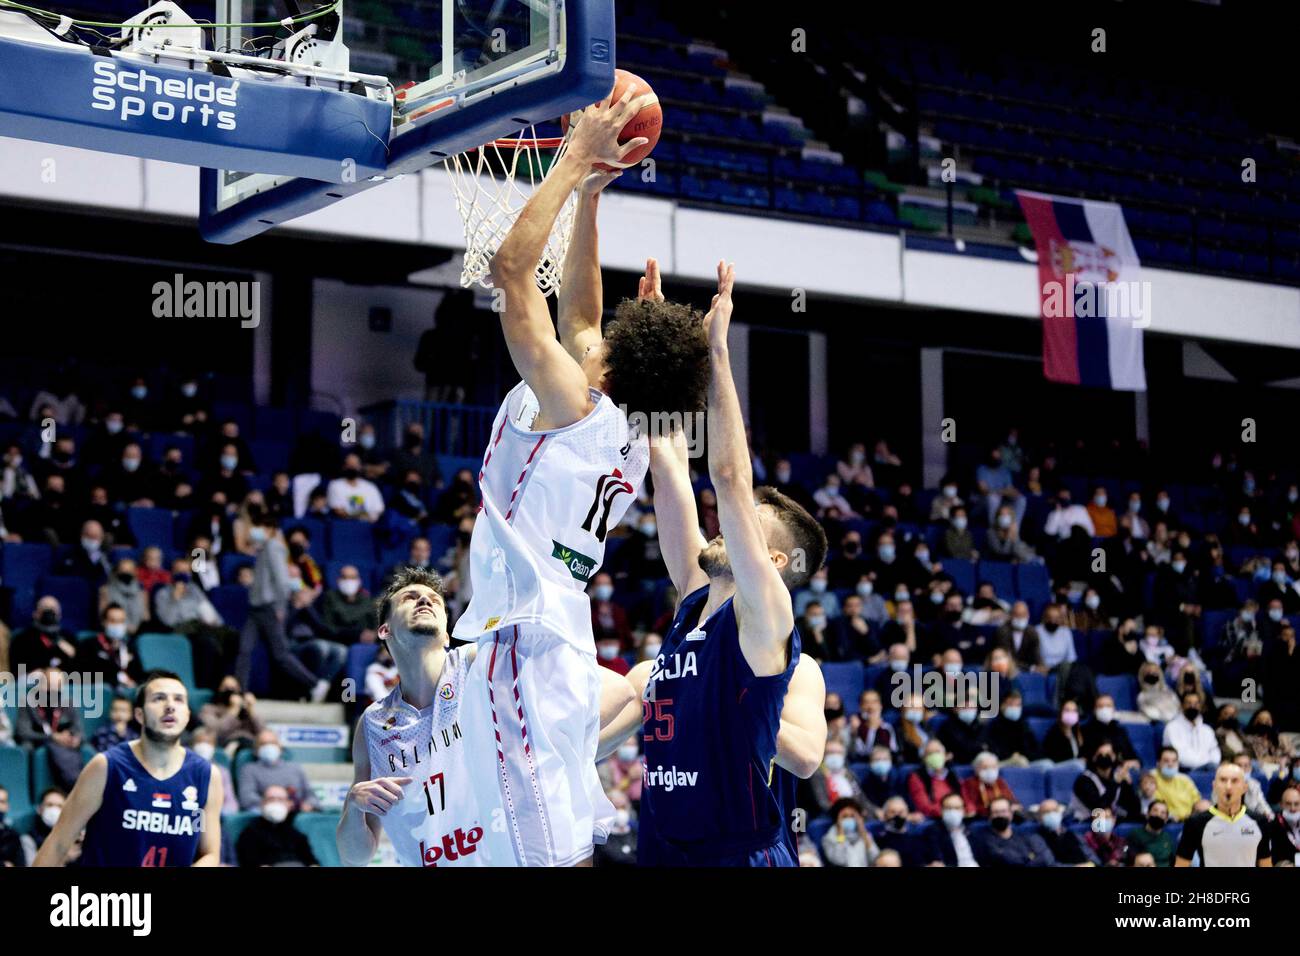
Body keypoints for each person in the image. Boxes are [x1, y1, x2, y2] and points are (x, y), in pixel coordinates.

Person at [453, 95, 720, 864]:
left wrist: (573, 158)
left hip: (523, 644)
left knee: (535, 854)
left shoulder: (571, 405)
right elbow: (581, 310)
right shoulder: (632, 428)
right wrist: (594, 199)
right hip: (568, 643)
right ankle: (571, 759)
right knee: (640, 684)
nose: (595, 331)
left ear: (616, 358)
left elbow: (512, 274)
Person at [604, 263, 830, 867]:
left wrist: (716, 352)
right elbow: (667, 464)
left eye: (746, 526)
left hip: (739, 855)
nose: (726, 521)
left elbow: (729, 479)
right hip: (665, 852)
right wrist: (656, 354)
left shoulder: (768, 625)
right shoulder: (694, 598)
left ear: (774, 560)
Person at [33, 671, 222, 866]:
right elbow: (58, 843)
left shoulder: (207, 776)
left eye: (179, 700)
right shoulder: (105, 766)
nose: (170, 706)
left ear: (188, 715)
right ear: (139, 715)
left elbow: (210, 855)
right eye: (159, 698)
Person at [235, 512, 329, 702]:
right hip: (256, 608)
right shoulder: (264, 548)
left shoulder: (275, 547)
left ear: (269, 529)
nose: (254, 531)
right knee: (244, 649)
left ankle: (315, 684)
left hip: (270, 608)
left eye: (258, 527)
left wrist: (280, 608)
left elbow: (281, 580)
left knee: (280, 654)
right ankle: (240, 692)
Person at [1175, 762, 1272, 867]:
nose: (1228, 786)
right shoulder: (1195, 823)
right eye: (1223, 780)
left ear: (1245, 787)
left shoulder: (1260, 822)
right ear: (1214, 786)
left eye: (1234, 781)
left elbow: (1265, 864)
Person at [15, 668, 86, 791]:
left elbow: (79, 730)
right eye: (48, 685)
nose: (52, 690)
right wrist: (53, 737)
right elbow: (22, 732)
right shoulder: (29, 702)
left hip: (66, 745)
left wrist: (75, 739)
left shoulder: (66, 702)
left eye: (57, 686)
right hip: (40, 742)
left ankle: (78, 784)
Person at [237, 729, 316, 813]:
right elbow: (247, 798)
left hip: (295, 812)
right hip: (264, 814)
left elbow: (311, 795)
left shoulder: (295, 768)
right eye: (263, 744)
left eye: (272, 743)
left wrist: (308, 804)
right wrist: (275, 803)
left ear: (280, 747)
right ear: (256, 750)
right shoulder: (249, 769)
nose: (268, 746)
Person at [237, 785, 317, 867]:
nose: (275, 803)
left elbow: (312, 862)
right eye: (271, 799)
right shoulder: (250, 834)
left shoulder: (297, 835)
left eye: (280, 800)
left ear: (289, 804)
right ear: (262, 803)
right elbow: (250, 862)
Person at [972, 796, 1056, 866]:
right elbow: (1007, 860)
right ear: (990, 816)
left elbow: (1045, 857)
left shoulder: (1023, 835)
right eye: (996, 812)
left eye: (1003, 811)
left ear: (1011, 814)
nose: (1000, 815)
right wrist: (1028, 857)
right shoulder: (984, 840)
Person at [1070, 742, 1140, 823]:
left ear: (1114, 757)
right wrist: (1116, 783)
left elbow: (1134, 808)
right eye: (1100, 754)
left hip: (1111, 819)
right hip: (1087, 821)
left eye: (1108, 754)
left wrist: (1129, 785)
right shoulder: (1084, 780)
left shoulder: (1118, 776)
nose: (1104, 757)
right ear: (1094, 757)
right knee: (1102, 818)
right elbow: (1099, 807)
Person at [1163, 690, 1221, 770]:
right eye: (1189, 703)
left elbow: (1214, 751)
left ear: (1200, 706)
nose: (1192, 706)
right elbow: (1181, 756)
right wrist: (1205, 763)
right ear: (1182, 705)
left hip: (1209, 768)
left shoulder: (1207, 730)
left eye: (1196, 703)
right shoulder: (1172, 728)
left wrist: (1209, 764)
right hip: (1184, 770)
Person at [1035, 798, 1100, 866]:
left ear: (1060, 812)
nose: (1052, 814)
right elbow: (1050, 863)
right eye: (1047, 812)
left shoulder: (1073, 834)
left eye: (1054, 810)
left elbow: (1089, 853)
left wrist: (1093, 863)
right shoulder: (1038, 837)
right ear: (1040, 816)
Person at [923, 792, 980, 866]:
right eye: (948, 808)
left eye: (957, 808)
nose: (953, 812)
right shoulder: (933, 831)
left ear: (963, 811)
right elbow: (938, 859)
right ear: (941, 810)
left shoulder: (972, 829)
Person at [908, 740, 961, 819]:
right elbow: (924, 807)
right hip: (936, 818)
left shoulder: (952, 774)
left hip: (958, 814)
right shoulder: (917, 777)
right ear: (924, 758)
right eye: (930, 753)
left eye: (937, 752)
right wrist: (948, 812)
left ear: (945, 755)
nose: (935, 756)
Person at [820, 798, 878, 867]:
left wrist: (863, 831)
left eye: (852, 816)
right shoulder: (829, 838)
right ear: (837, 818)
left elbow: (875, 858)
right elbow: (839, 860)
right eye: (844, 816)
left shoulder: (865, 835)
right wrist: (840, 833)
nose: (849, 819)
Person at [961, 752, 1021, 818]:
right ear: (977, 769)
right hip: (983, 816)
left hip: (1004, 814)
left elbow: (1013, 801)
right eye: (985, 768)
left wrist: (1013, 806)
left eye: (993, 767)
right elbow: (970, 807)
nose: (990, 771)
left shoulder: (999, 781)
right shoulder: (970, 783)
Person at [1153, 746, 1202, 821]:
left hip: (1189, 820)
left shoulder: (1185, 779)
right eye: (1166, 761)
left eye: (1174, 761)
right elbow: (1154, 806)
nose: (1170, 764)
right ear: (1158, 763)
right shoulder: (1151, 778)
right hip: (1166, 821)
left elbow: (1197, 801)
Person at [1126, 799, 1177, 866]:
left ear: (1166, 819)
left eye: (1163, 813)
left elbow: (1174, 861)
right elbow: (1132, 860)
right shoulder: (1136, 834)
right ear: (1147, 814)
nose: (1158, 814)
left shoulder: (1167, 837)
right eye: (1155, 810)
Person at [1267, 787, 1300, 866]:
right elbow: (1274, 856)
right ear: (1281, 804)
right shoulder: (1273, 825)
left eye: (1296, 804)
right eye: (1288, 804)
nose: (1293, 808)